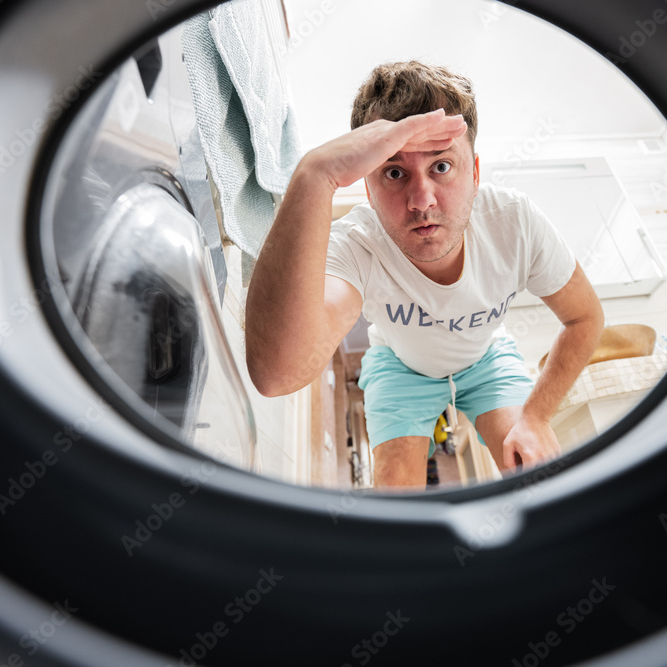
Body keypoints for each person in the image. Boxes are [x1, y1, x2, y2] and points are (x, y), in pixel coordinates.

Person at [245, 61, 604, 489]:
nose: (421, 200)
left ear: (473, 171)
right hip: (400, 367)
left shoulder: (515, 222)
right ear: (367, 186)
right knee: (399, 502)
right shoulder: (355, 243)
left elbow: (585, 318)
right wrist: (314, 174)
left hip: (485, 358)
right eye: (394, 172)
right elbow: (275, 375)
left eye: (441, 167)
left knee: (536, 480)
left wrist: (536, 415)